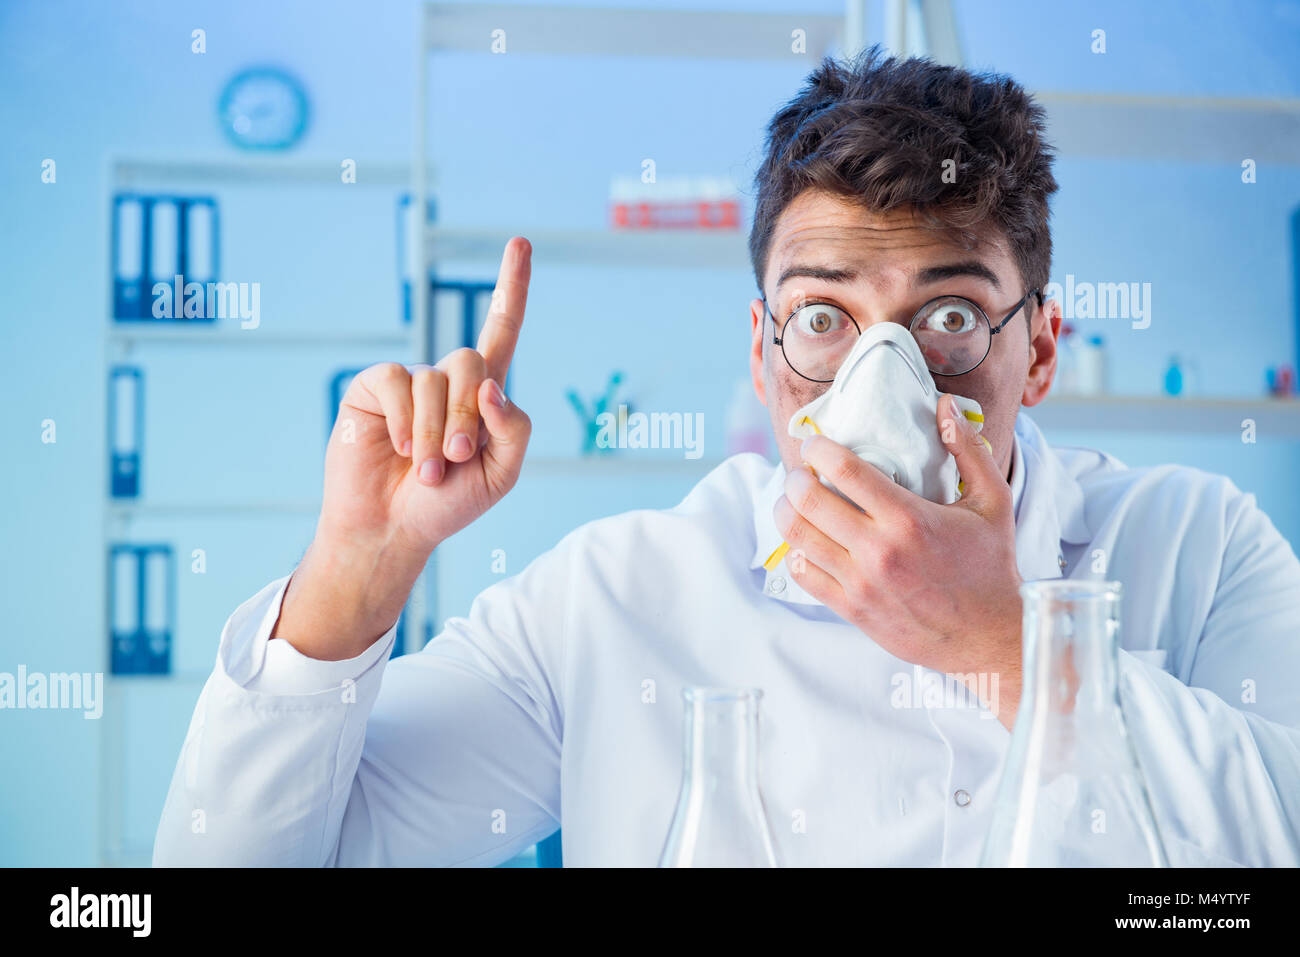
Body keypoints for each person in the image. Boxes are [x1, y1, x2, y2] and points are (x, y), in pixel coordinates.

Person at [154, 49, 1300, 867]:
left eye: (948, 320)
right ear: (761, 352)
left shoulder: (1195, 549)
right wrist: (357, 569)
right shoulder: (615, 600)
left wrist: (1006, 649)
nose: (880, 383)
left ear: (1038, 349)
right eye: (820, 320)